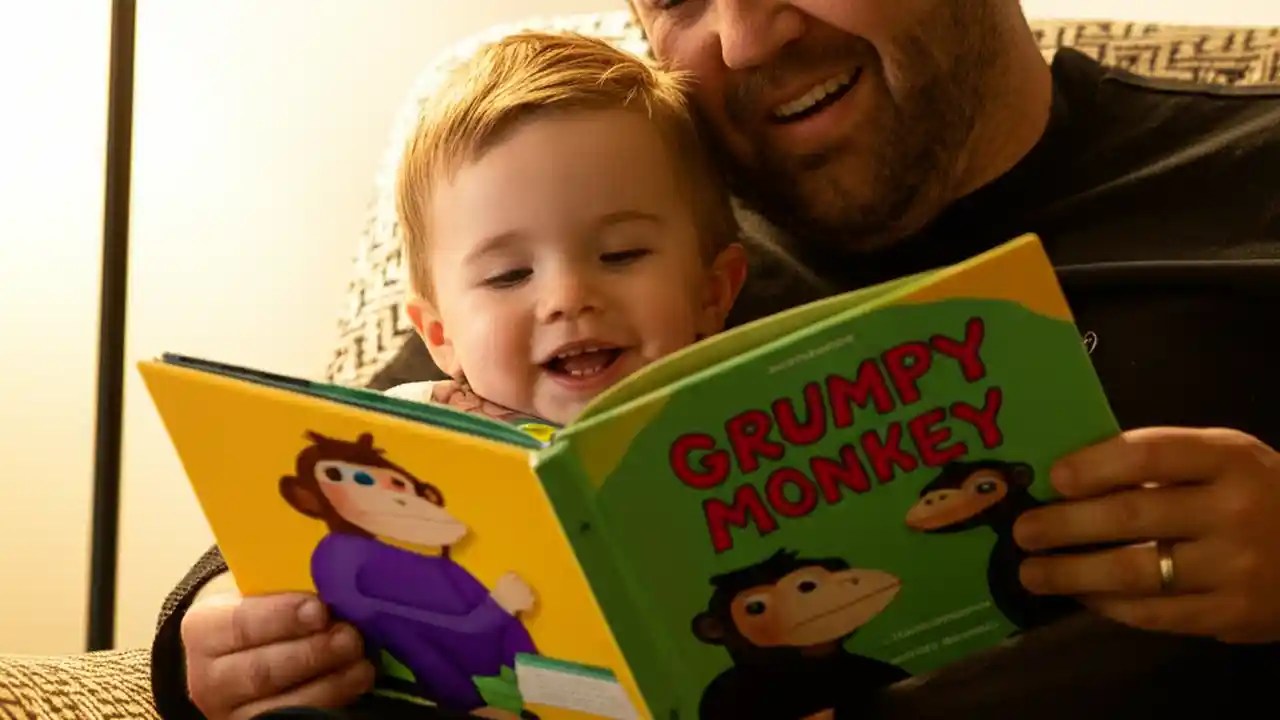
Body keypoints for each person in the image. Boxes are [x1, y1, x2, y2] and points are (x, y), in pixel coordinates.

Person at [150, 2, 1280, 718]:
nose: (743, 38)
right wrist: (211, 642)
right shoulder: (626, 217)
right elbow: (332, 480)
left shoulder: (1246, 175)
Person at [150, 30, 747, 720]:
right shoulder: (397, 429)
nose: (567, 296)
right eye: (509, 273)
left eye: (620, 254)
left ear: (715, 291)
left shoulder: (751, 422)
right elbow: (276, 547)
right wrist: (229, 616)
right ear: (437, 334)